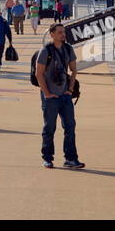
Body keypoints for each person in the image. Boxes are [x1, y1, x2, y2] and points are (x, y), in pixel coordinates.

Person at [36, 22, 82, 169]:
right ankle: (47, 158)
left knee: (70, 127)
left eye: (64, 32)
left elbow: (74, 70)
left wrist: (70, 89)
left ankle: (71, 158)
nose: (63, 35)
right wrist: (47, 93)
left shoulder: (68, 49)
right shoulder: (46, 51)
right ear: (52, 34)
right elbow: (39, 74)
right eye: (60, 32)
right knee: (49, 128)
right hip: (51, 97)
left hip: (65, 96)